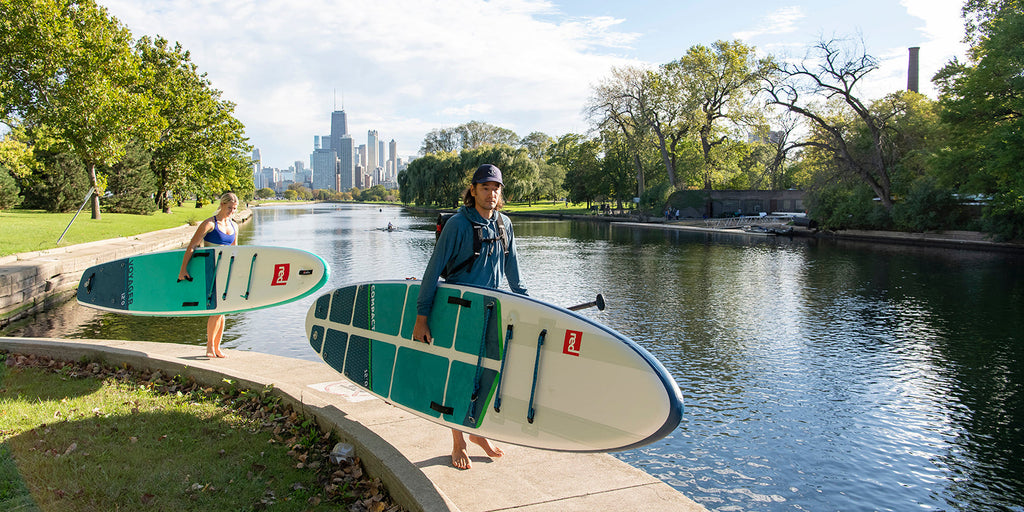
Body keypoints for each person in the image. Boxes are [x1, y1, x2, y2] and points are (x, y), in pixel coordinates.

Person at [412, 163, 527, 470]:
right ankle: (458, 441)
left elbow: (514, 272)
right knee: (459, 376)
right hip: (459, 311)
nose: (491, 193)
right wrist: (422, 316)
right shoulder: (458, 225)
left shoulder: (504, 224)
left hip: (491, 310)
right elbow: (433, 270)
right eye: (485, 188)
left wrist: (530, 307)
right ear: (473, 190)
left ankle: (478, 431)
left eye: (496, 188)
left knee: (489, 374)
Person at [178, 192, 239, 358]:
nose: (232, 211)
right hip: (211, 270)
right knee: (217, 309)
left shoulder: (234, 226)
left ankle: (217, 347)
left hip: (227, 271)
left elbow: (236, 251)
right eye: (229, 208)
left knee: (223, 311)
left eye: (234, 209)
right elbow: (192, 246)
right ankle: (209, 347)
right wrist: (183, 269)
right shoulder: (210, 224)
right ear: (222, 205)